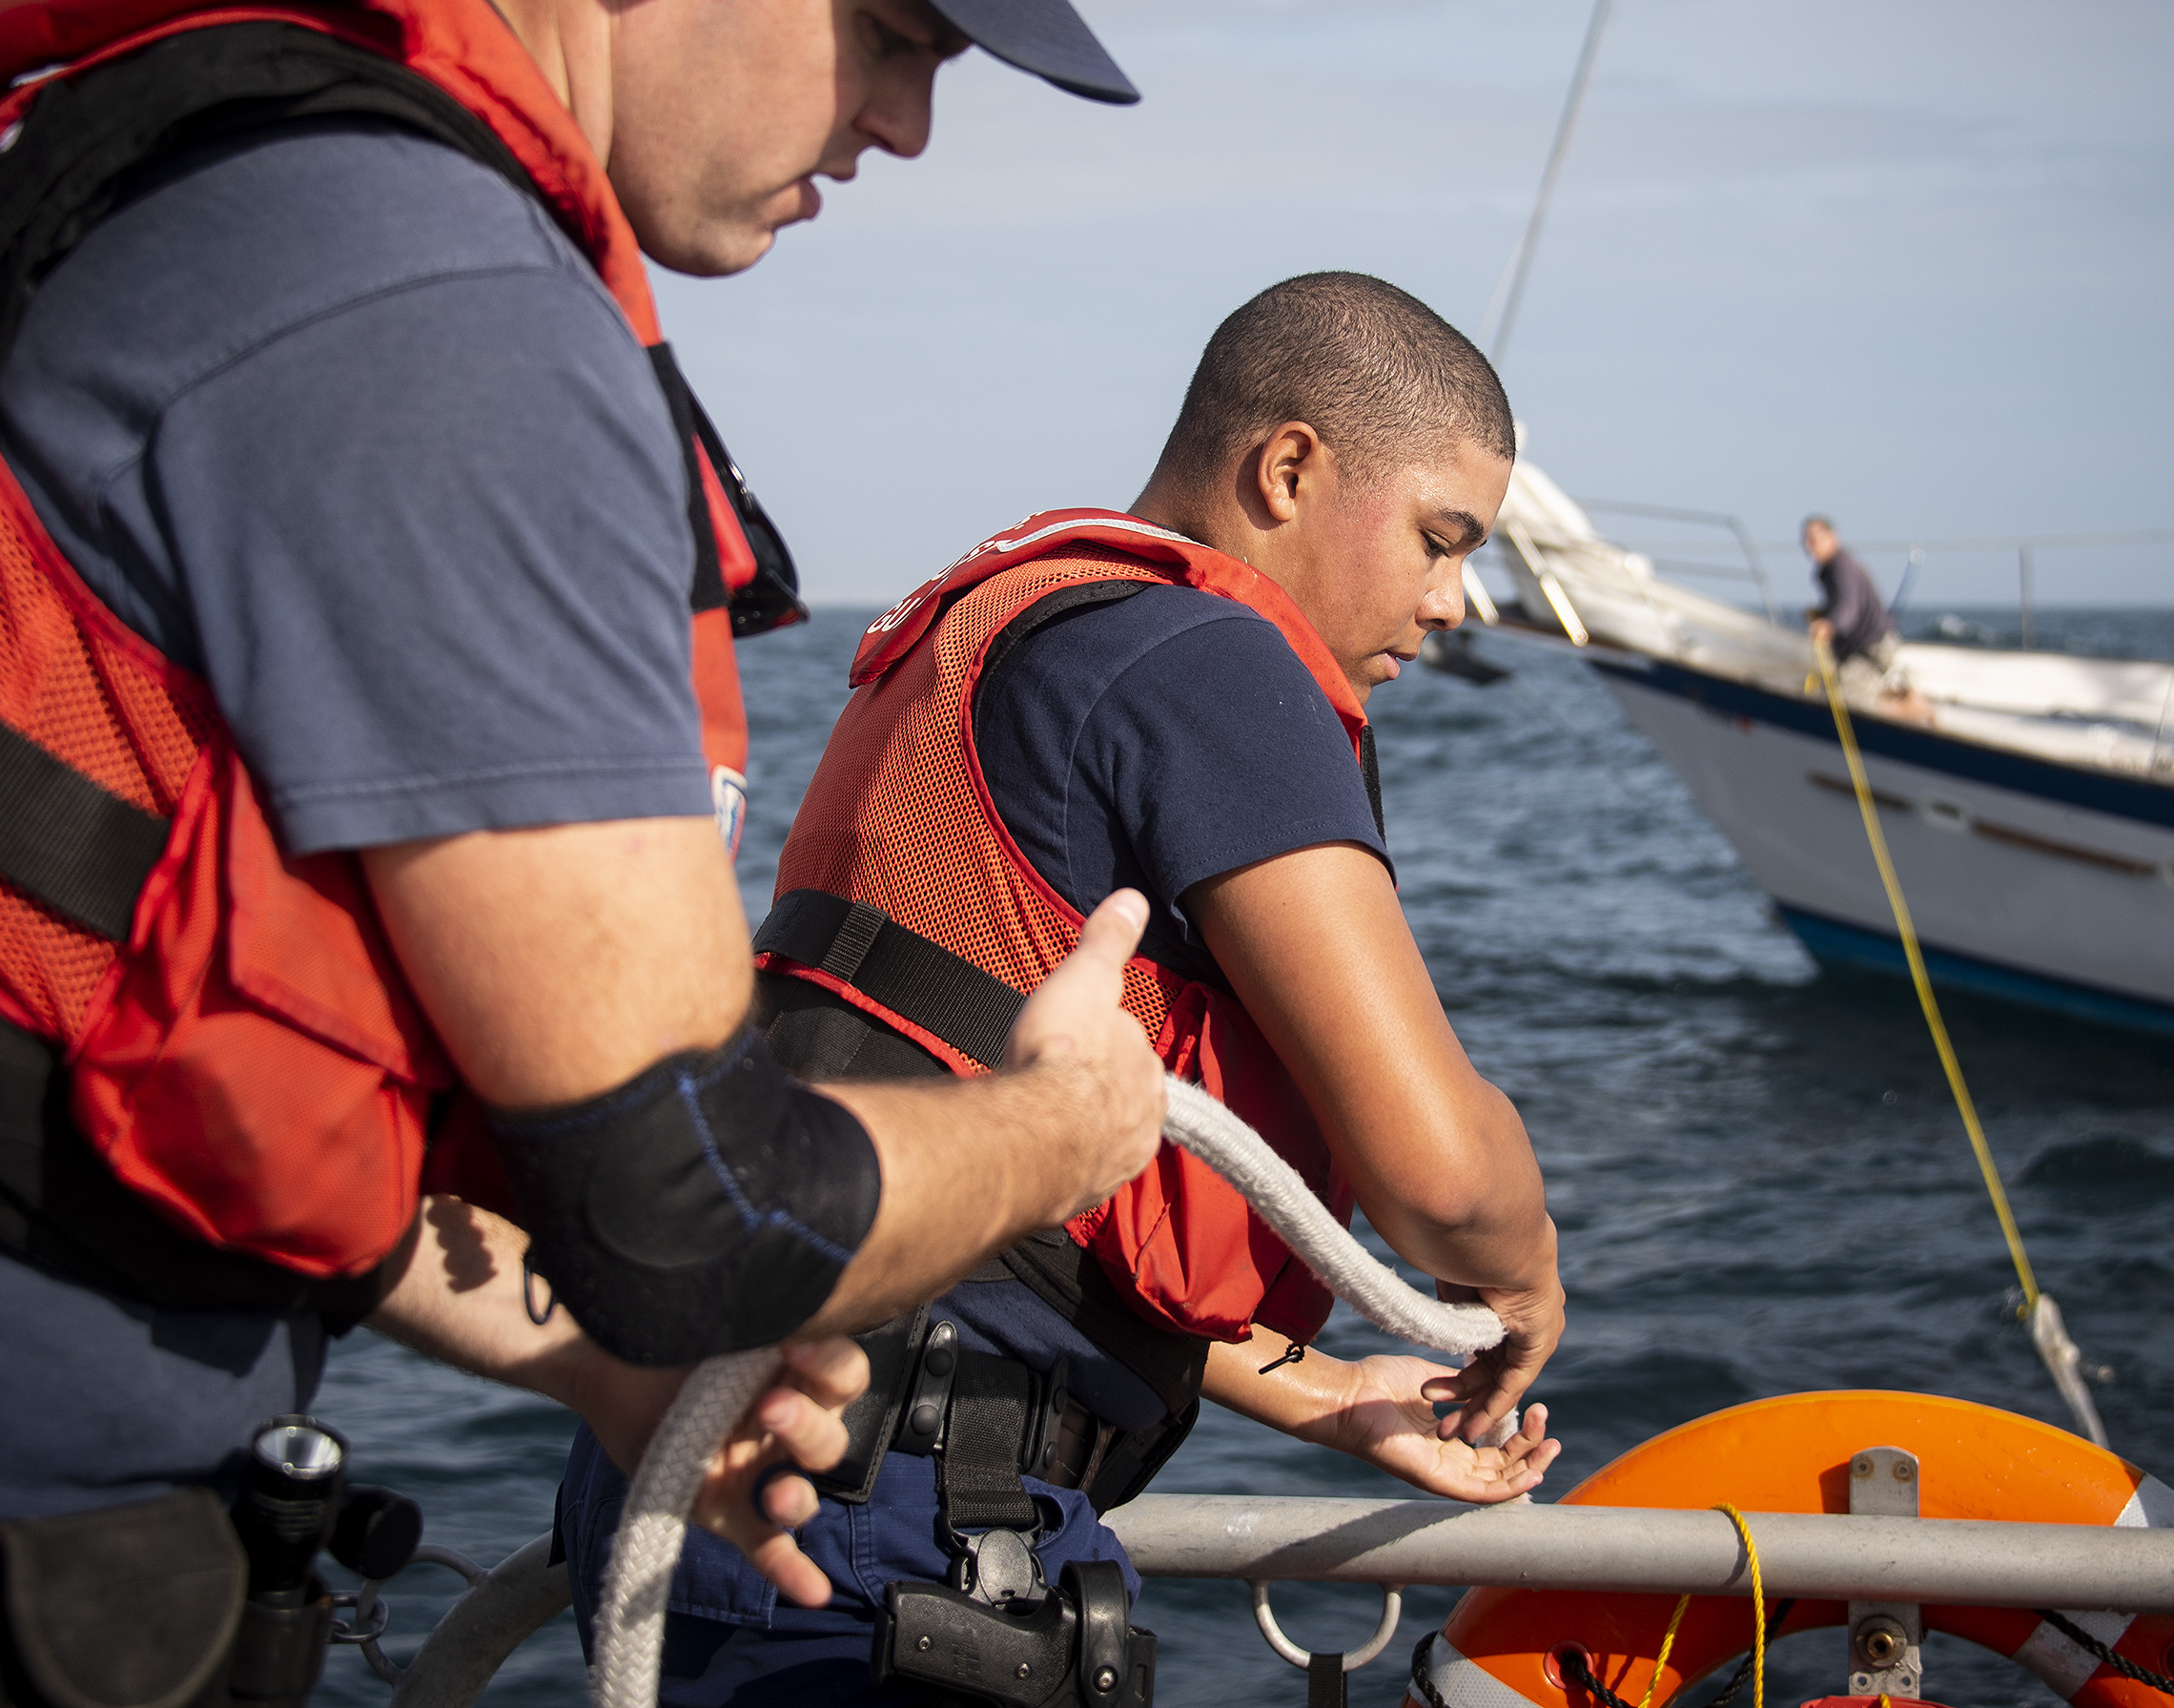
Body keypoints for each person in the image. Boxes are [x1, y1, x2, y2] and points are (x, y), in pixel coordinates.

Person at [0, 0, 1172, 1694]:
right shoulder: (439, 300)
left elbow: (117, 995)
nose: (906, 125)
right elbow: (695, 1213)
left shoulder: (248, 176)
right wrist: (1061, 1125)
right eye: (891, 32)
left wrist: (589, 1358)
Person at [559, 272, 1568, 1704]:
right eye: (1439, 538)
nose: (1451, 601)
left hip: (725, 1463)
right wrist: (1523, 1274)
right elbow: (1439, 1175)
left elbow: (982, 1174)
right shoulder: (1215, 656)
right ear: (1289, 470)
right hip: (890, 1529)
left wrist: (1329, 1390)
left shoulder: (1021, 628)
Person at [1802, 514, 1915, 703]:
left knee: (1849, 695)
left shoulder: (1840, 567)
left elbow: (1848, 609)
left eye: (1813, 539)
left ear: (1832, 537)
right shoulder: (1832, 568)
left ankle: (1915, 711)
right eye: (1805, 540)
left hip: (1872, 646)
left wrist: (1828, 625)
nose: (1808, 545)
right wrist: (1823, 614)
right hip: (1866, 645)